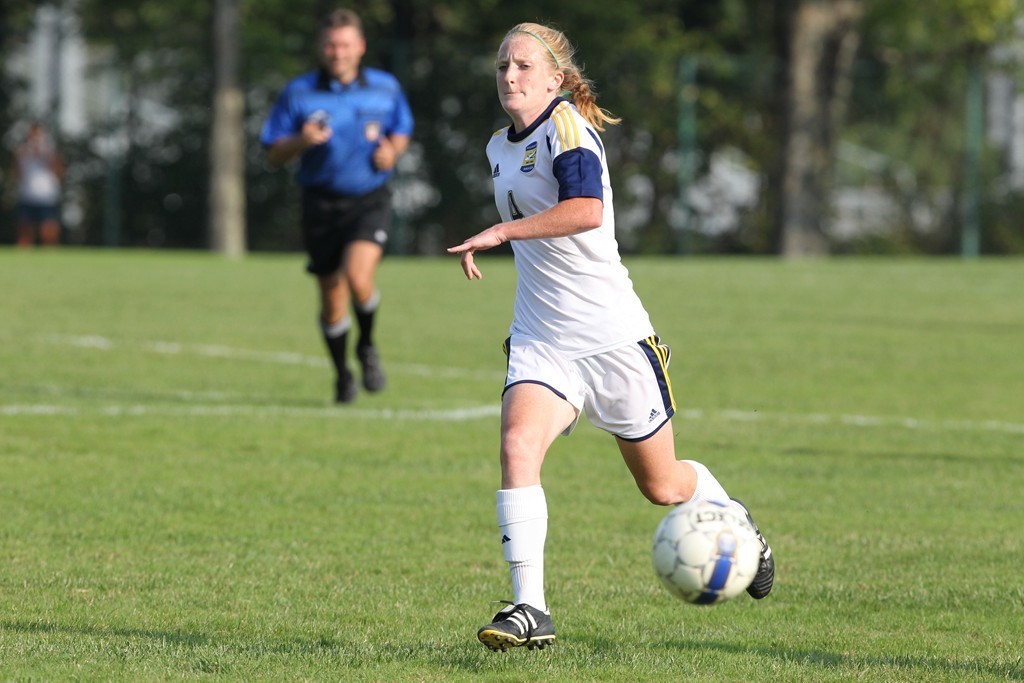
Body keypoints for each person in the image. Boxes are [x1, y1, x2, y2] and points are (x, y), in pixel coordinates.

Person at [447, 22, 775, 652]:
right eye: (501, 67)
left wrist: (500, 233)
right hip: (543, 339)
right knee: (517, 443)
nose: (509, 77)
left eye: (521, 66)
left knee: (664, 488)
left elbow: (586, 210)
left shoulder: (568, 127)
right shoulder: (497, 146)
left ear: (555, 78)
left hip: (613, 339)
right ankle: (530, 609)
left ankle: (738, 524)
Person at [260, 8, 414, 403]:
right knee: (331, 298)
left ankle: (366, 346)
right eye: (330, 44)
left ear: (360, 46)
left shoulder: (385, 87)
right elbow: (273, 152)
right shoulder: (299, 93)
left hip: (369, 200)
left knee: (358, 278)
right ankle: (343, 373)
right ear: (321, 47)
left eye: (345, 44)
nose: (337, 52)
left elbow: (401, 130)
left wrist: (392, 152)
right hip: (320, 203)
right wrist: (301, 141)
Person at [12, 121, 64, 247]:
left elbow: (59, 171)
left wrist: (45, 156)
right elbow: (17, 173)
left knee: (48, 230)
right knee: (25, 229)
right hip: (27, 195)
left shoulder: (50, 151)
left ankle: (51, 257)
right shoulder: (23, 152)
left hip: (46, 196)